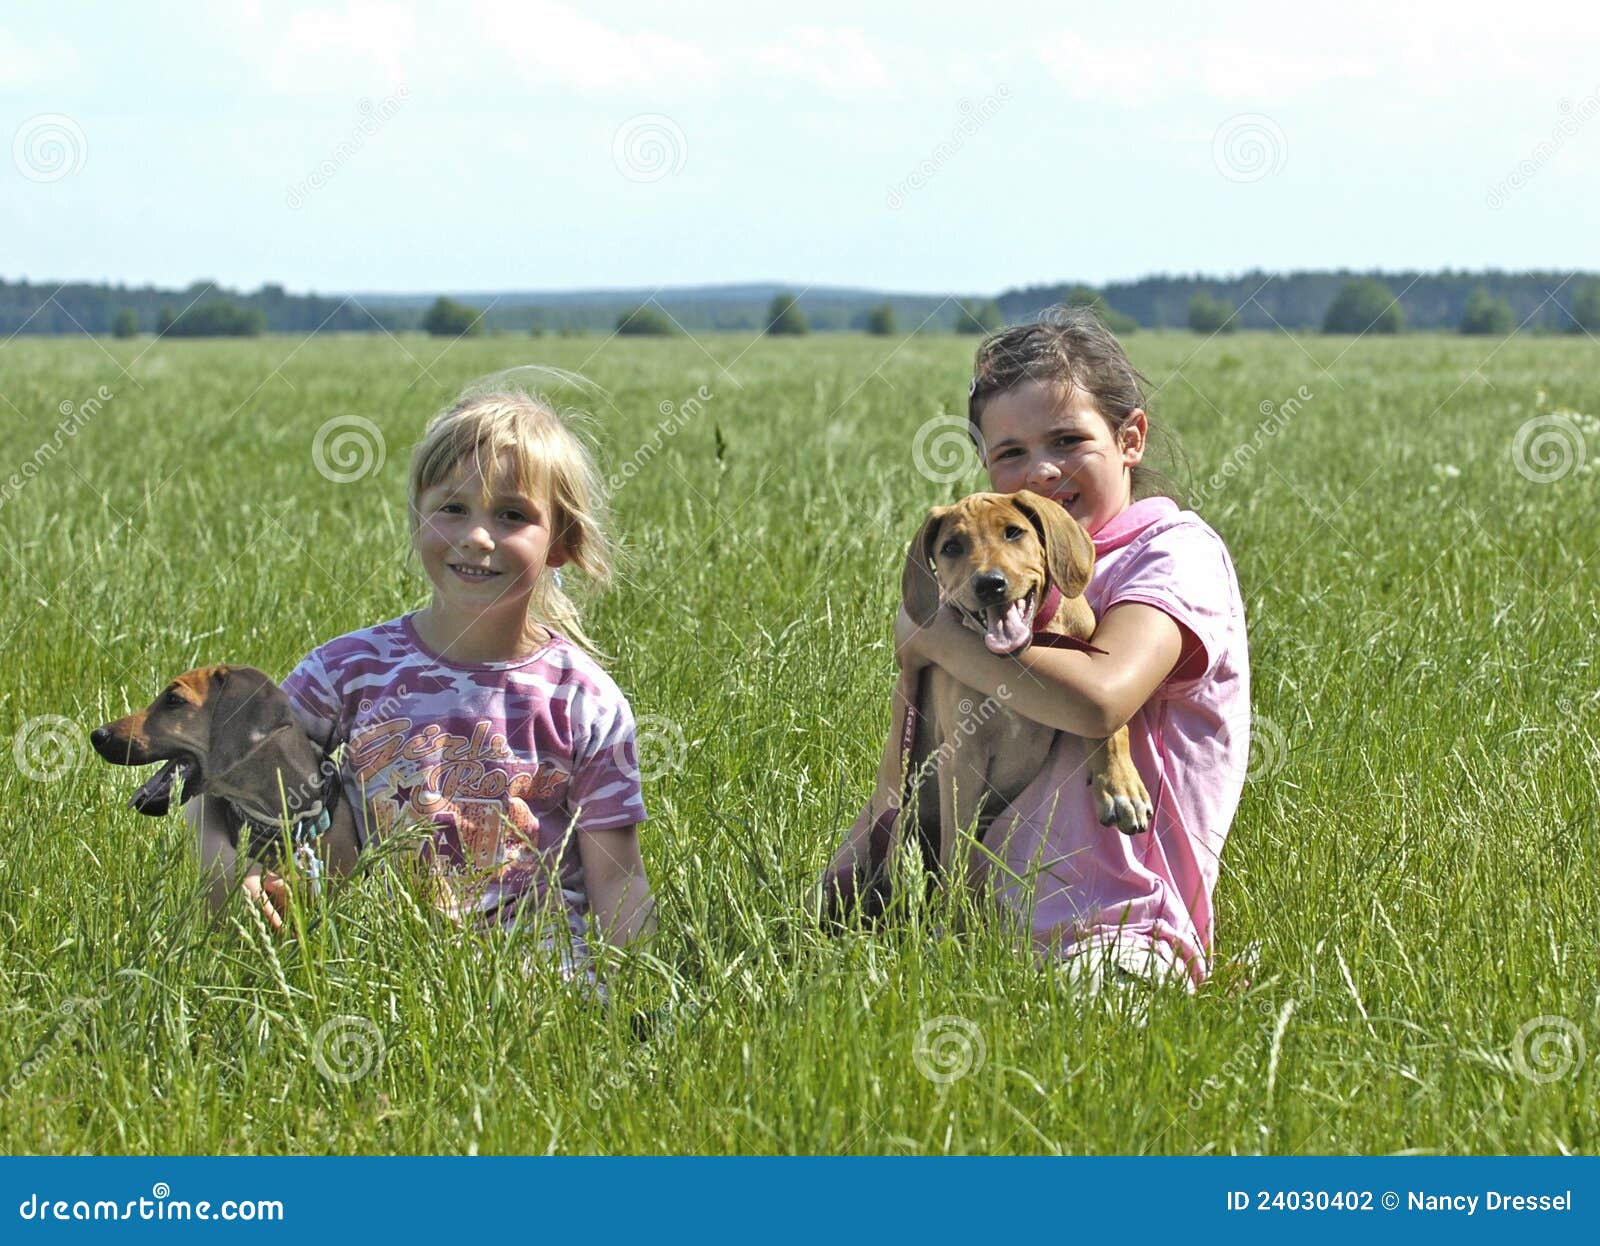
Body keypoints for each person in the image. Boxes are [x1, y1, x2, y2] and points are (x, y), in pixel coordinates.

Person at [824, 307, 1250, 991]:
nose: (1043, 471)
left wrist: (935, 635)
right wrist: (863, 857)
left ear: (1130, 437)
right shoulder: (996, 576)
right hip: (981, 922)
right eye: (1011, 453)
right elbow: (924, 750)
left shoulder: (1172, 556)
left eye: (1068, 440)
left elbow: (1099, 699)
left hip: (1123, 925)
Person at [196, 387, 656, 976]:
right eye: (452, 508)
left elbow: (618, 881)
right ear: (417, 519)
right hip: (367, 970)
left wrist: (640, 1007)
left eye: (512, 515)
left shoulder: (585, 702)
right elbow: (224, 771)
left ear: (562, 543)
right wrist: (228, 868)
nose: (477, 537)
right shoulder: (349, 671)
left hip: (538, 983)